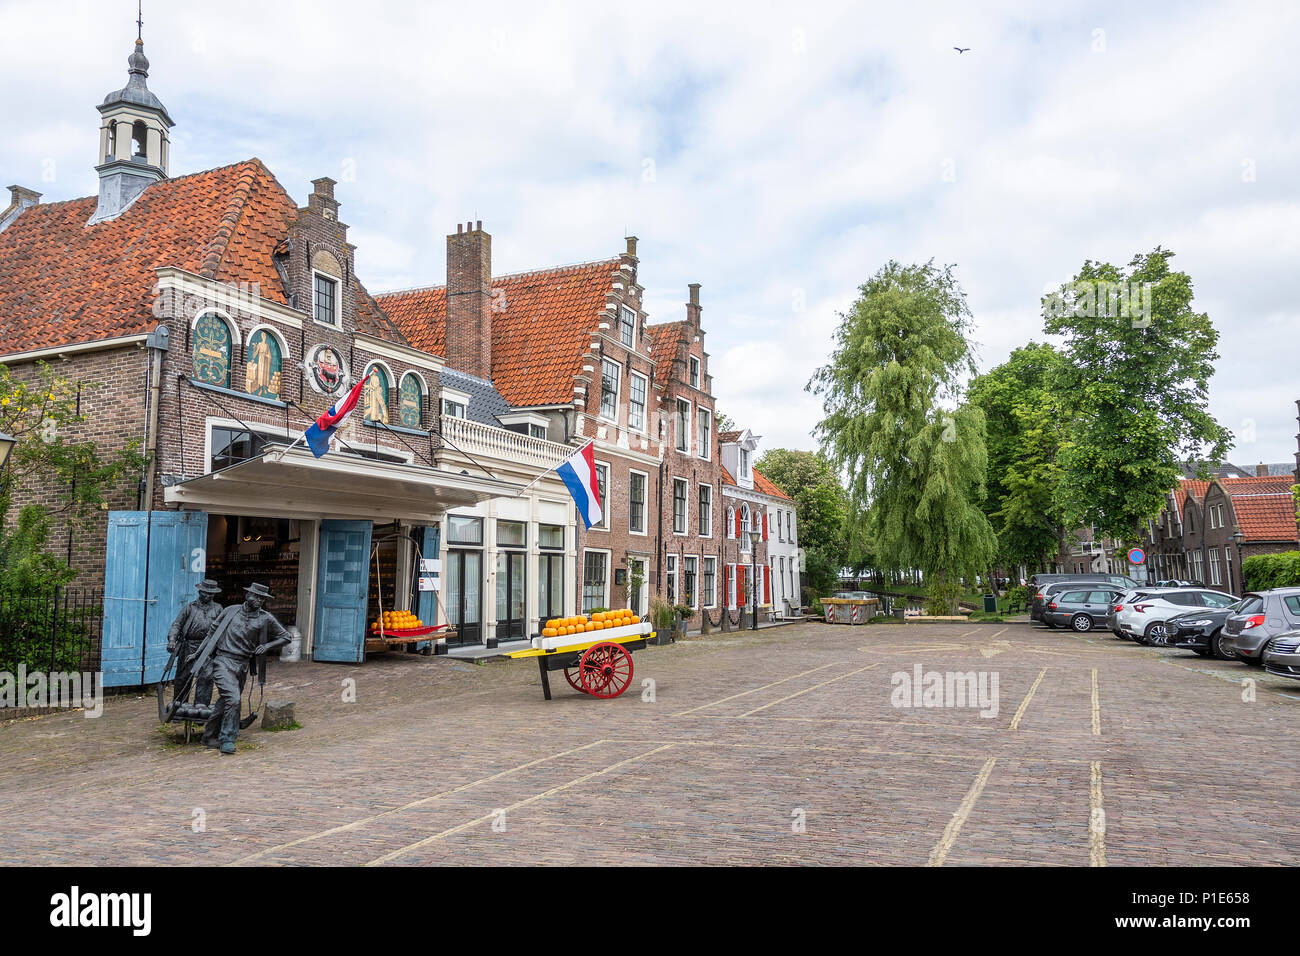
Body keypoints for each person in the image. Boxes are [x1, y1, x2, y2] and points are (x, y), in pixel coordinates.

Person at [199, 583, 292, 754]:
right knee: (233, 699)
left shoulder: (265, 618)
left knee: (225, 701)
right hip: (223, 660)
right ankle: (227, 738)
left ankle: (209, 735)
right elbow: (211, 634)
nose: (259, 600)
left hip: (242, 665)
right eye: (256, 596)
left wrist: (268, 645)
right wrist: (198, 654)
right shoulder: (230, 611)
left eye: (262, 598)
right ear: (247, 595)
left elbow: (286, 637)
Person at [165, 579, 223, 708]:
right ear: (200, 591)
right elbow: (177, 625)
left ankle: (201, 707)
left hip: (208, 648)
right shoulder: (190, 607)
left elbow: (223, 629)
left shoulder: (218, 609)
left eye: (211, 594)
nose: (207, 596)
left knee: (207, 676)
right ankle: (179, 706)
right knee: (183, 677)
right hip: (189, 646)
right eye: (205, 593)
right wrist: (172, 640)